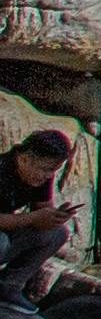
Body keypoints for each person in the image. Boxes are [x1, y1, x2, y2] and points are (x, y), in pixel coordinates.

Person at [1, 126, 76, 305]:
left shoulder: (39, 176)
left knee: (57, 233)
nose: (48, 175)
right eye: (45, 169)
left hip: (9, 230)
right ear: (24, 159)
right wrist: (35, 217)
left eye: (54, 170)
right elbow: (33, 217)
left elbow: (43, 210)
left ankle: (8, 286)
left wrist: (54, 217)